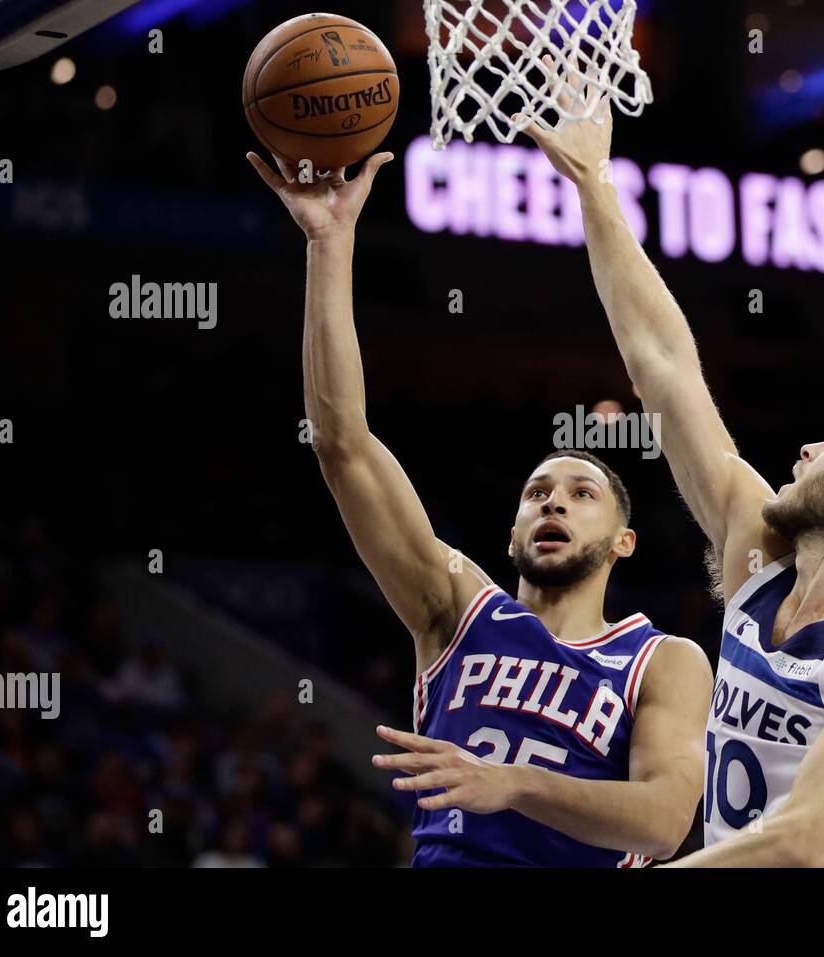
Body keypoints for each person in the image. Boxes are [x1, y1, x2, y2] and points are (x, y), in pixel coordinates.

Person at [519, 64, 824, 866]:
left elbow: (804, 841)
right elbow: (663, 364)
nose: (808, 449)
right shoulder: (758, 559)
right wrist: (595, 184)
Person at [246, 149, 712, 868]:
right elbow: (343, 445)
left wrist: (514, 784)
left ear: (624, 541)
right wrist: (329, 244)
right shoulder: (459, 609)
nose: (553, 497)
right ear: (514, 530)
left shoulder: (660, 660)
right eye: (536, 492)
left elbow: (661, 821)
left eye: (581, 492)